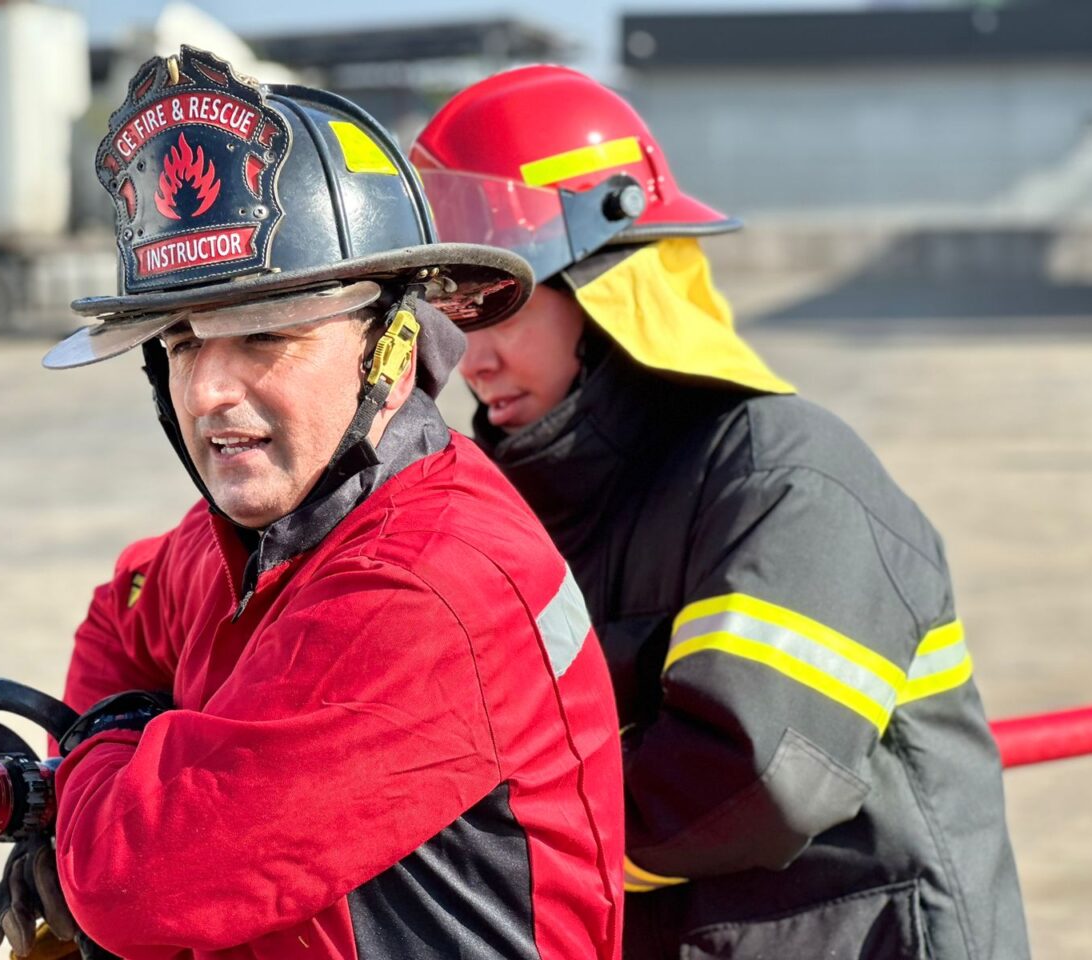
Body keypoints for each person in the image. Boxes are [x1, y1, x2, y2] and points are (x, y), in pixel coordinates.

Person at [0, 49, 624, 960]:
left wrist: (94, 762)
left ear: (391, 347)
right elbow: (125, 615)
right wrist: (110, 749)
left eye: (266, 334)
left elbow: (134, 882)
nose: (209, 393)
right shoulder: (254, 536)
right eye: (183, 343)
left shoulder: (428, 584)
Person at [412, 65, 1030, 960]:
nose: (473, 357)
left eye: (495, 306)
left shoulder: (789, 480)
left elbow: (758, 778)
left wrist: (466, 844)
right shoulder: (531, 499)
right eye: (449, 311)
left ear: (611, 284)